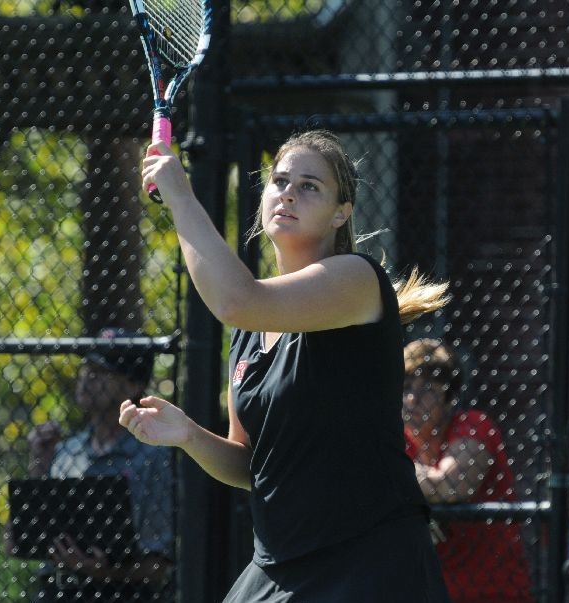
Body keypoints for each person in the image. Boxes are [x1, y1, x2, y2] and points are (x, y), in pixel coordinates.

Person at [119, 129, 454, 602]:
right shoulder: (250, 330)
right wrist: (189, 435)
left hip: (368, 562)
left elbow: (236, 299)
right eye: (279, 181)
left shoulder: (357, 280)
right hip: (278, 565)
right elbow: (250, 464)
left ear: (342, 213)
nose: (289, 193)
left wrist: (180, 197)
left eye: (310, 185)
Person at [20, 326, 175, 602]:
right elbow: (17, 541)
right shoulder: (66, 450)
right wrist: (39, 466)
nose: (87, 377)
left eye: (102, 371)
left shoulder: (153, 456)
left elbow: (159, 566)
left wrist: (104, 572)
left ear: (133, 385)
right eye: (86, 367)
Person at [402, 338, 534, 603]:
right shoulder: (398, 441)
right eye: (405, 388)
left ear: (449, 397)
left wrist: (398, 481)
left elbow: (450, 485)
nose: (413, 399)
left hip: (492, 592)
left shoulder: (474, 426)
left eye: (427, 389)